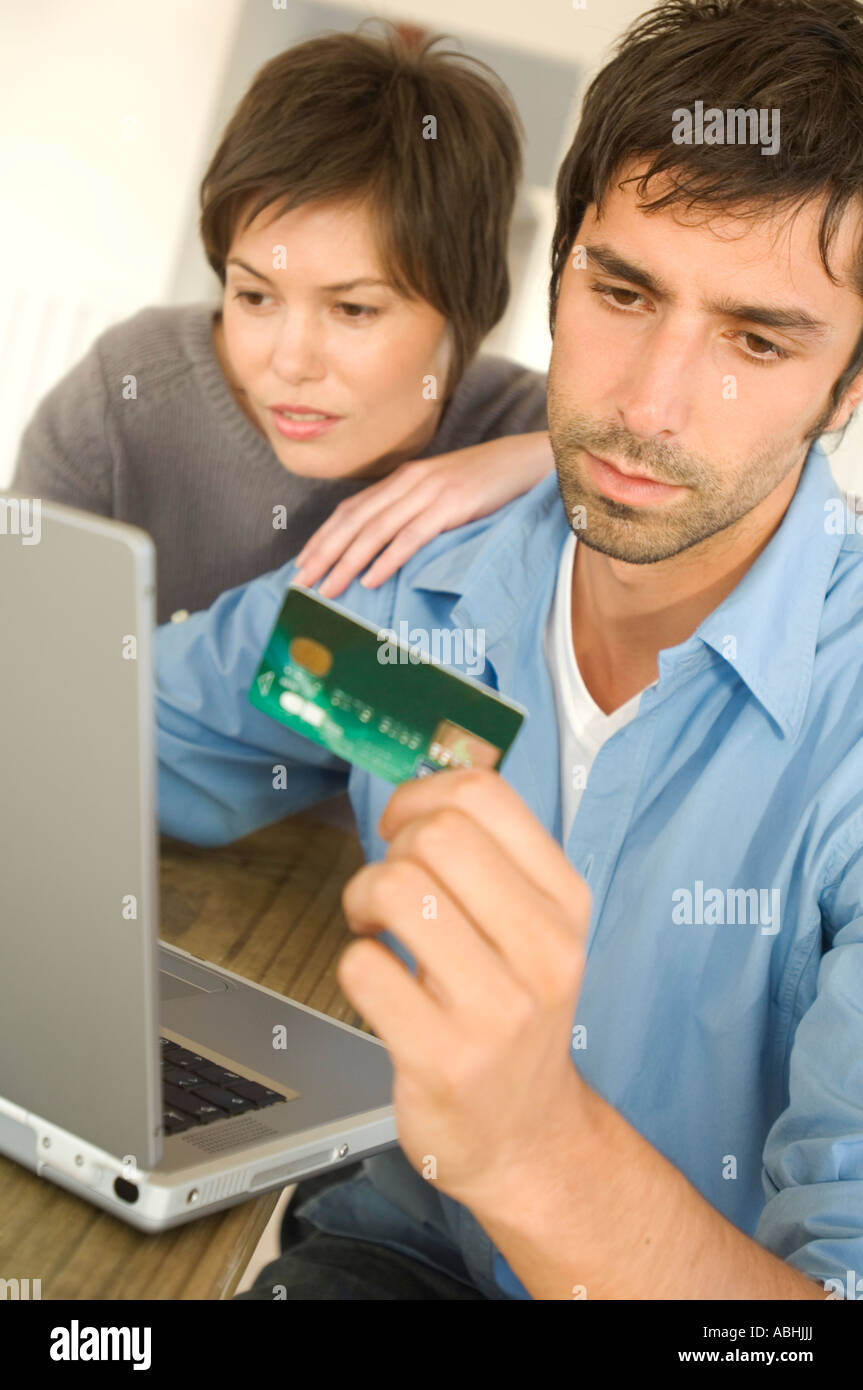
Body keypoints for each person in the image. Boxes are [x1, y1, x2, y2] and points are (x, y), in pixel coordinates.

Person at [159, 0, 863, 1298]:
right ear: (556, 275)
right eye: (620, 289)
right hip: (396, 1249)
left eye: (754, 338)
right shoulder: (412, 613)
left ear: (847, 381)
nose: (647, 406)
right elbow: (122, 727)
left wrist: (531, 1143)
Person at [9, 22, 554, 624]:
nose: (290, 363)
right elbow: (22, 642)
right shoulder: (129, 391)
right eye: (255, 297)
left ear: (468, 306)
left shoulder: (538, 428)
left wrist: (547, 460)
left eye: (353, 309)